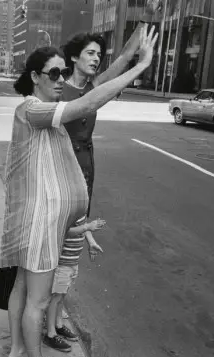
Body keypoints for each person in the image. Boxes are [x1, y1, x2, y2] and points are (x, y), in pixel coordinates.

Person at [0, 26, 158, 357]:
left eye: (60, 73)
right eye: (52, 74)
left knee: (23, 287)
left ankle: (18, 353)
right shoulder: (34, 109)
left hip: (41, 215)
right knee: (37, 299)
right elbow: (85, 104)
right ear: (36, 77)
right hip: (41, 220)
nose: (59, 80)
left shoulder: (41, 109)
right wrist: (142, 65)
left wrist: (134, 46)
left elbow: (94, 89)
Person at [60, 0, 162, 217]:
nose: (97, 58)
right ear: (74, 56)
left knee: (79, 225)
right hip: (61, 163)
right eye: (90, 53)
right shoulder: (57, 89)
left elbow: (125, 56)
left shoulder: (94, 85)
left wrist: (145, 16)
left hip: (86, 164)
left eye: (99, 55)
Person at [43, 216, 106, 353]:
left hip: (72, 261)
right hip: (63, 262)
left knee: (62, 295)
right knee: (55, 297)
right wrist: (87, 227)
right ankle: (50, 333)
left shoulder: (81, 205)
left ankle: (58, 324)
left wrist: (91, 241)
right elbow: (64, 230)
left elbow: (84, 224)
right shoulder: (69, 206)